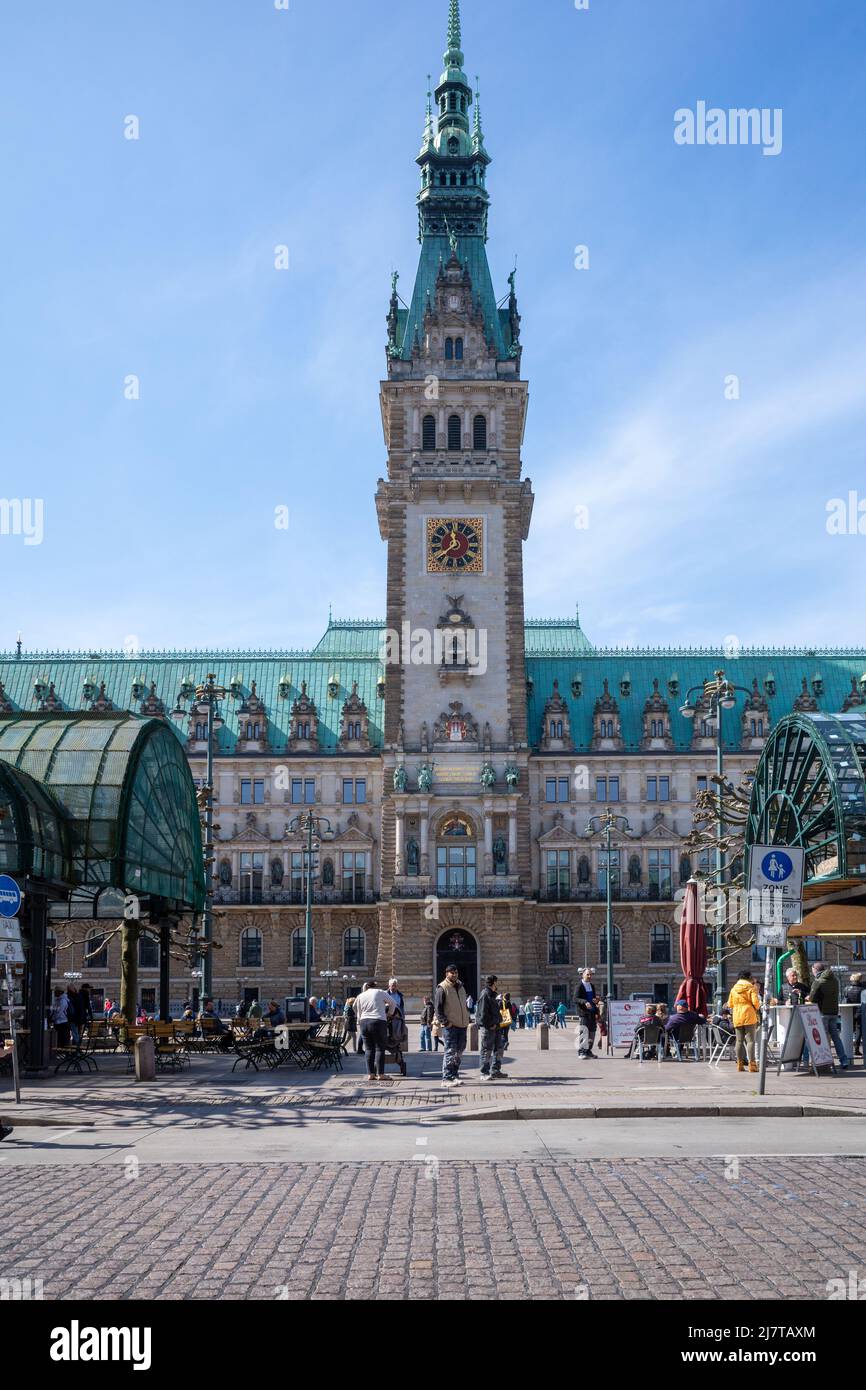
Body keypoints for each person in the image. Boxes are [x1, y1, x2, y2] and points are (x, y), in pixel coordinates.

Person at [808, 962, 850, 1069]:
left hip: (822, 1013)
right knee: (836, 1037)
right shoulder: (835, 980)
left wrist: (809, 997)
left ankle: (827, 1062)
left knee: (824, 1038)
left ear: (815, 970)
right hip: (834, 1012)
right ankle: (844, 1060)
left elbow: (812, 998)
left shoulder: (818, 981)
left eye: (812, 969)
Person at [435, 963, 470, 1086]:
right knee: (450, 1051)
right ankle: (447, 1078)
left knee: (459, 1051)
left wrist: (467, 1017)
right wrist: (446, 1022)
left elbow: (463, 1004)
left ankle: (454, 1075)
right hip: (451, 1026)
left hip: (462, 1025)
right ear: (447, 974)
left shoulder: (461, 987)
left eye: (456, 973)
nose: (454, 975)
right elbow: (438, 1008)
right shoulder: (442, 988)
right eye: (452, 973)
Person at [353, 979, 395, 1081]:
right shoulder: (380, 992)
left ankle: (370, 1074)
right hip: (378, 1021)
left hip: (364, 1022)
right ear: (375, 986)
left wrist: (359, 1017)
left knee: (368, 1049)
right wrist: (389, 1014)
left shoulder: (361, 995)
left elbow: (354, 1007)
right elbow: (393, 1003)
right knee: (380, 1048)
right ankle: (381, 1074)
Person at [726, 971, 761, 1073]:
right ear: (748, 978)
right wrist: (756, 1008)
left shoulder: (734, 989)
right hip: (749, 1015)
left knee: (739, 1041)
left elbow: (730, 1004)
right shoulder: (751, 987)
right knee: (750, 1041)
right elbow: (756, 1003)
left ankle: (740, 1064)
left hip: (737, 1015)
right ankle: (752, 1065)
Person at [477, 974, 506, 1080]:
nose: (497, 984)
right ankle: (484, 1072)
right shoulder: (485, 994)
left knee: (499, 1048)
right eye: (496, 982)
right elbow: (482, 1013)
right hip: (489, 1027)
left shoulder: (493, 995)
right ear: (493, 982)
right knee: (486, 1049)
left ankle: (496, 1070)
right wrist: (490, 1025)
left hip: (497, 1026)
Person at [575, 970, 598, 1058]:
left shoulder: (592, 985)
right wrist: (585, 1002)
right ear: (583, 975)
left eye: (590, 974)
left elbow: (594, 998)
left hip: (592, 1012)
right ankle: (581, 1052)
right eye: (587, 974)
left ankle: (588, 1051)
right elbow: (575, 998)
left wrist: (595, 1000)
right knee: (584, 1032)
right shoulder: (579, 986)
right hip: (584, 1013)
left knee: (592, 1032)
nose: (589, 976)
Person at [843, 972, 864, 1056]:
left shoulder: (846, 988)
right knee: (859, 1031)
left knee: (848, 1030)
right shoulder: (863, 989)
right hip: (860, 1012)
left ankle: (847, 1049)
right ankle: (856, 1049)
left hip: (848, 1012)